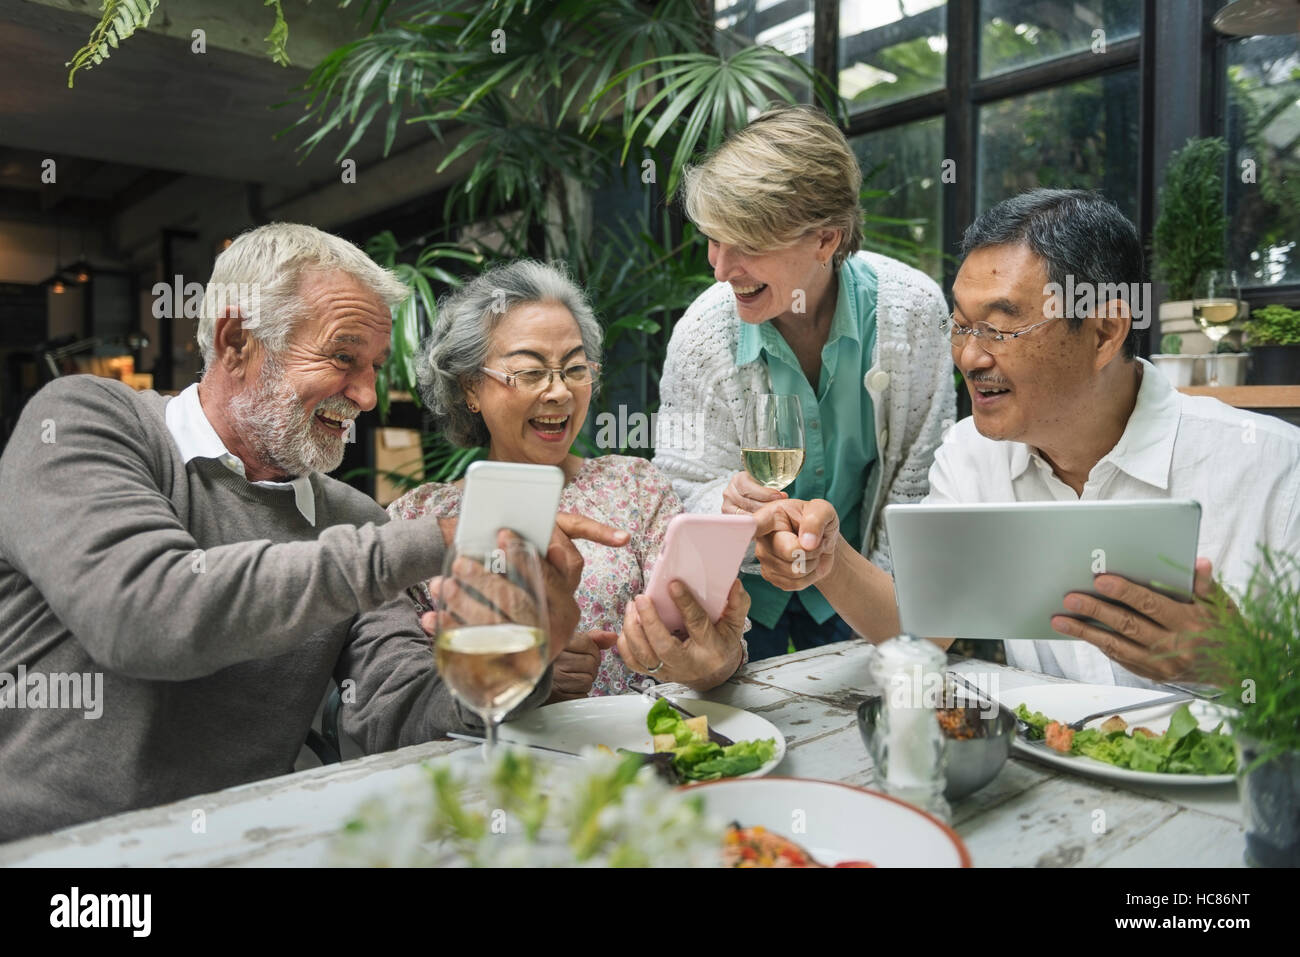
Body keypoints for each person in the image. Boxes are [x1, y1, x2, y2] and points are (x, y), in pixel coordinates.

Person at [0, 224, 626, 843]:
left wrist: (518, 651)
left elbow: (404, 712)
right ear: (237, 341)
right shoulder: (85, 420)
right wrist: (446, 536)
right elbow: (143, 613)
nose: (367, 395)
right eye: (342, 357)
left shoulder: (354, 520)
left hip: (239, 849)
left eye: (375, 367)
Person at [752, 189, 1300, 687]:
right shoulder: (972, 455)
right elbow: (922, 629)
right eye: (962, 325)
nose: (970, 357)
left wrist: (1237, 660)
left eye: (1001, 327)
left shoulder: (1274, 470)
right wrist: (827, 557)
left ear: (1105, 331)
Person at [652, 104, 954, 660]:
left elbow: (920, 488)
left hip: (860, 584)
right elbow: (679, 488)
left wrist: (888, 610)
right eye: (714, 240)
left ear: (824, 240)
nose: (720, 268)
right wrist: (727, 502)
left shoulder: (911, 313)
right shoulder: (702, 334)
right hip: (739, 599)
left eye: (747, 243)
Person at [388, 260, 750, 700]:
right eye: (531, 372)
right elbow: (397, 692)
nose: (559, 391)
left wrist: (713, 662)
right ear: (470, 388)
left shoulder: (633, 486)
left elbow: (700, 646)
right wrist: (517, 676)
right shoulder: (421, 518)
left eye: (575, 369)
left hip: (639, 752)